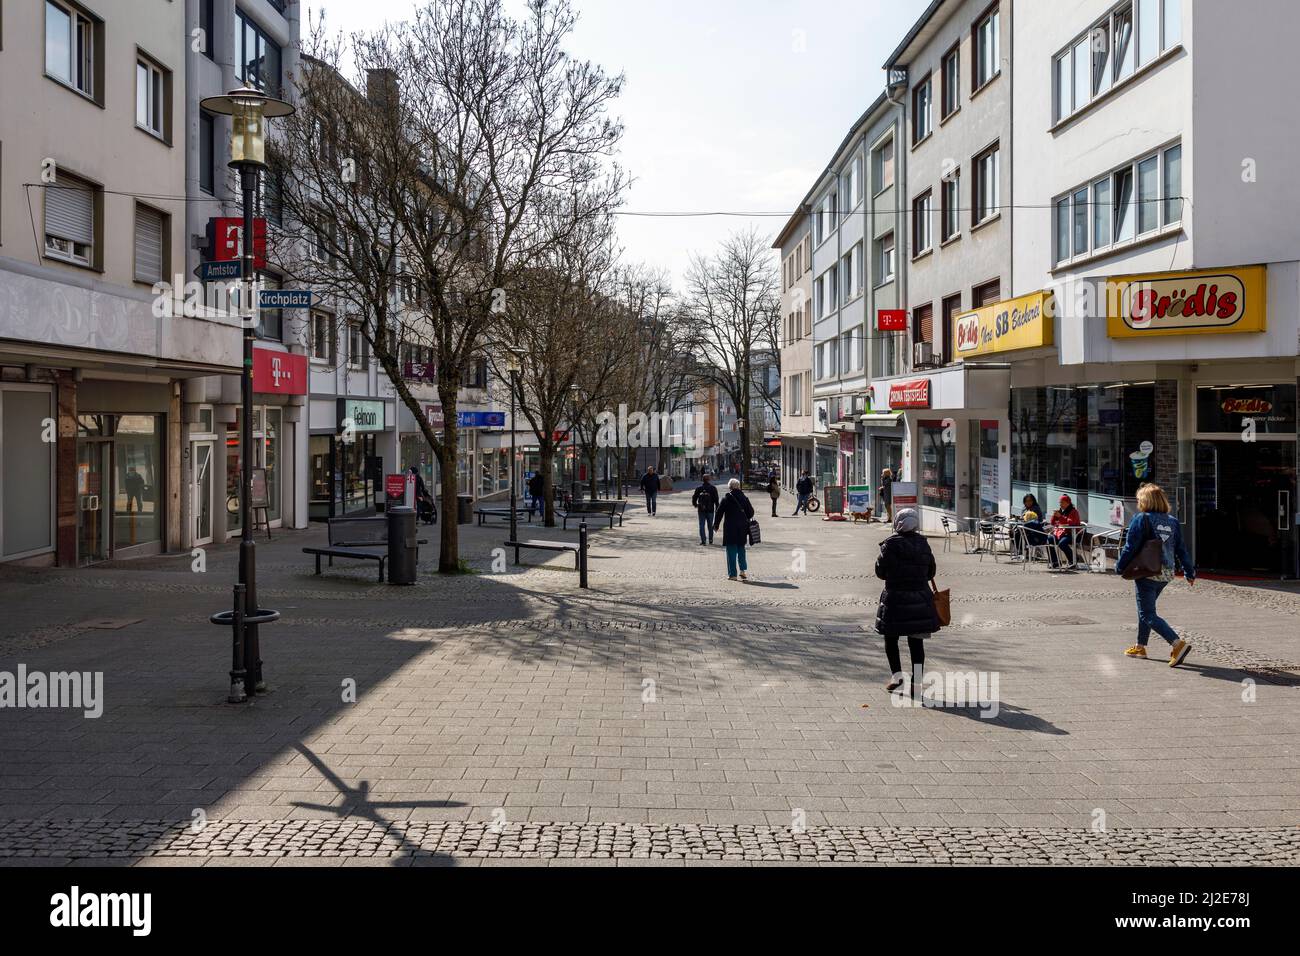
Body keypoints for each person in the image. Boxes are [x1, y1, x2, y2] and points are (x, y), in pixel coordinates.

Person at [1116, 483, 1196, 666]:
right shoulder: (1172, 521)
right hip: (1166, 574)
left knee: (1147, 613)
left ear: (1145, 500)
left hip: (1147, 571)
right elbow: (1181, 549)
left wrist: (1120, 566)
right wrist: (1189, 572)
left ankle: (1177, 644)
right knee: (1146, 610)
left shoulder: (1141, 519)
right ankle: (1140, 646)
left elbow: (1130, 547)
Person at [874, 508, 940, 696]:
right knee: (916, 643)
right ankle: (917, 683)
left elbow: (880, 572)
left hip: (895, 599)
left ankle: (896, 677)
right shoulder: (924, 544)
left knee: (891, 638)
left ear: (898, 523)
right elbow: (931, 572)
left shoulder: (890, 545)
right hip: (920, 599)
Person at [714, 478, 755, 581]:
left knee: (731, 550)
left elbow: (719, 513)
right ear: (738, 487)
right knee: (741, 549)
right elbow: (751, 513)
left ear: (730, 487)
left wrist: (716, 525)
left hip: (730, 528)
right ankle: (743, 571)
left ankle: (732, 575)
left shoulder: (726, 498)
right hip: (742, 528)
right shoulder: (744, 498)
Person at [1048, 494, 1082, 569]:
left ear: (1068, 503)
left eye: (1062, 502)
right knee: (1049, 539)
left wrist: (1060, 517)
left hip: (1073, 534)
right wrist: (1054, 516)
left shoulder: (1074, 511)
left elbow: (1071, 523)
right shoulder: (1062, 511)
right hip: (1062, 533)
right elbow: (1053, 523)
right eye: (1060, 503)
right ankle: (1055, 561)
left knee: (1062, 543)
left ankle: (1073, 560)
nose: (1060, 504)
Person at [692, 473, 719, 545]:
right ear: (709, 479)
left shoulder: (699, 488)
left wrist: (695, 505)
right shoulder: (713, 488)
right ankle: (710, 539)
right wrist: (717, 509)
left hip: (701, 510)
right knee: (710, 525)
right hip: (710, 510)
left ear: (702, 480)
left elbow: (694, 497)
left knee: (701, 525)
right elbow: (716, 500)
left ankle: (703, 540)